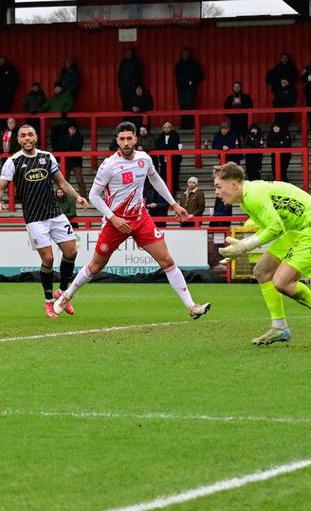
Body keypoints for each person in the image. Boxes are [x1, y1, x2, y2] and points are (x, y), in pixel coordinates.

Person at [53, 122, 211, 319]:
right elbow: (94, 195)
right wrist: (114, 218)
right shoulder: (109, 165)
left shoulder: (144, 159)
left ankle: (191, 306)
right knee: (95, 266)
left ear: (136, 139)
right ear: (117, 141)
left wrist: (174, 204)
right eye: (122, 139)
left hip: (140, 219)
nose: (126, 143)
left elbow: (155, 179)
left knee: (167, 260)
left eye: (129, 138)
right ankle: (67, 295)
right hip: (115, 223)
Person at [0, 125, 89, 317]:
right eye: (23, 136)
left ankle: (62, 294)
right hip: (35, 218)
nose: (27, 138)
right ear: (18, 140)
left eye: (30, 135)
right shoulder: (13, 161)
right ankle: (48, 302)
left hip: (55, 213)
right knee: (48, 258)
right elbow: (1, 186)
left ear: (36, 137)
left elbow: (61, 182)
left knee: (72, 252)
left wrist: (77, 196)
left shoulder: (47, 157)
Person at [215, 161, 311, 345]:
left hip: (307, 229)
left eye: (219, 186)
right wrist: (243, 245)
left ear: (234, 184)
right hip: (295, 231)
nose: (217, 192)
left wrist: (245, 246)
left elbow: (275, 227)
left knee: (282, 282)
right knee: (262, 271)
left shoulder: (253, 195)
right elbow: (271, 228)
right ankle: (280, 327)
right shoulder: (246, 199)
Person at [55, 122, 86, 197]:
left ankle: (84, 196)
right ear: (68, 129)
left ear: (76, 129)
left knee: (80, 180)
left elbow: (77, 147)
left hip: (76, 162)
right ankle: (62, 197)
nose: (72, 130)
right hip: (66, 161)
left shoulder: (79, 136)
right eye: (70, 128)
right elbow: (61, 147)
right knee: (64, 180)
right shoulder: (63, 137)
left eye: (74, 129)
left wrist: (68, 147)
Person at [174, 47, 203, 129]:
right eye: (184, 53)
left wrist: (192, 82)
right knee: (182, 106)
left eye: (187, 53)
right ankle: (183, 124)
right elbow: (176, 75)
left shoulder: (194, 64)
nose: (185, 55)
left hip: (190, 89)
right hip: (181, 89)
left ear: (189, 54)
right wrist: (178, 83)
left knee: (189, 106)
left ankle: (189, 125)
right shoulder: (179, 64)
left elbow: (200, 75)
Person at [155, 122, 182, 193]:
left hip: (174, 158)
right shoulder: (161, 136)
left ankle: (175, 187)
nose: (166, 129)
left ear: (171, 128)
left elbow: (175, 145)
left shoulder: (175, 135)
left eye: (168, 127)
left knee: (174, 173)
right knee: (163, 172)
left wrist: (165, 147)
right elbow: (158, 145)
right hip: (163, 157)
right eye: (165, 127)